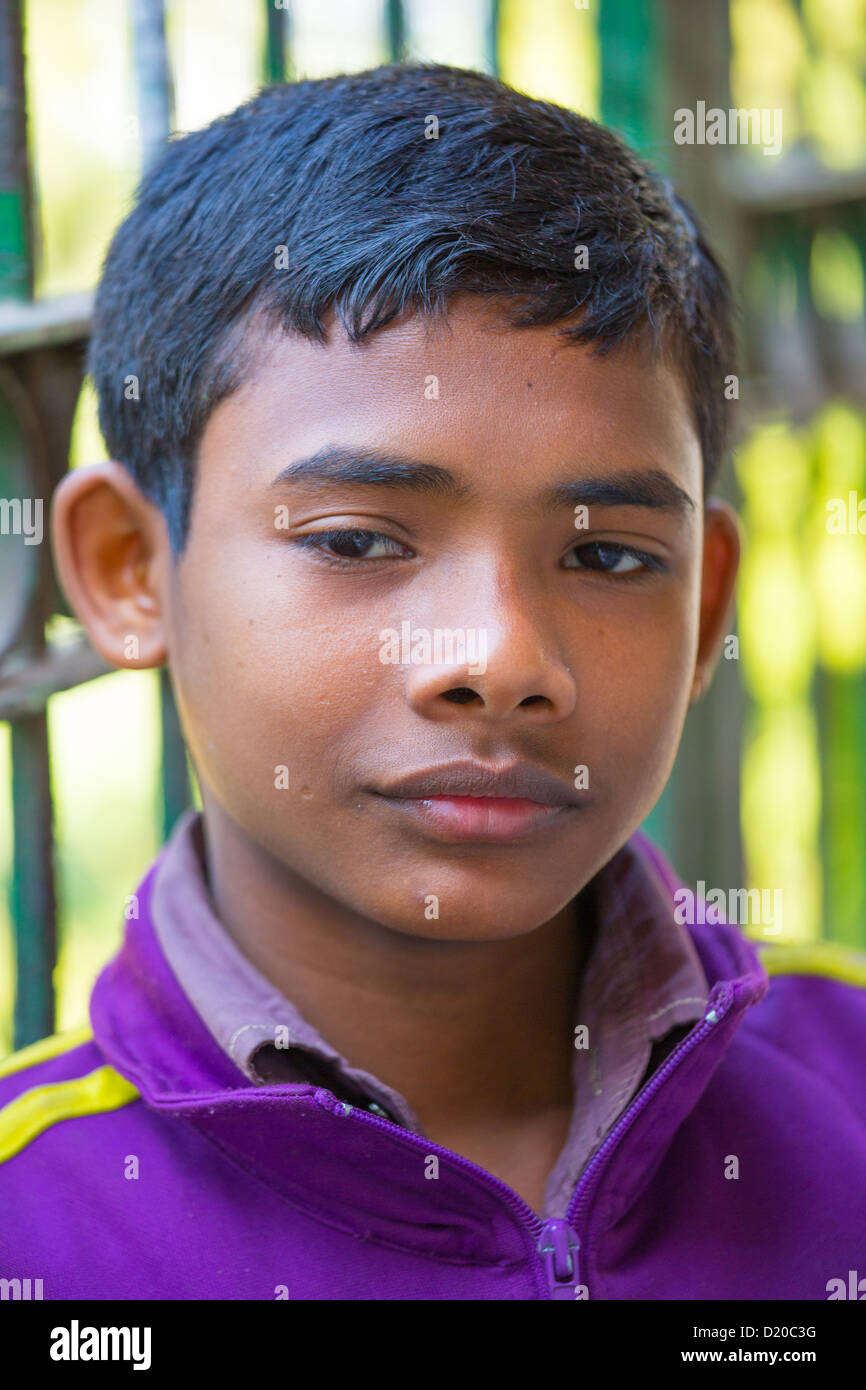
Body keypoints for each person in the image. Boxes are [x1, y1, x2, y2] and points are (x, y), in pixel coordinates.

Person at [2, 62, 864, 1301]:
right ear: (130, 568)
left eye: (607, 555)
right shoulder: (34, 1228)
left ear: (705, 604)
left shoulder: (842, 1087)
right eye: (357, 541)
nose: (501, 661)